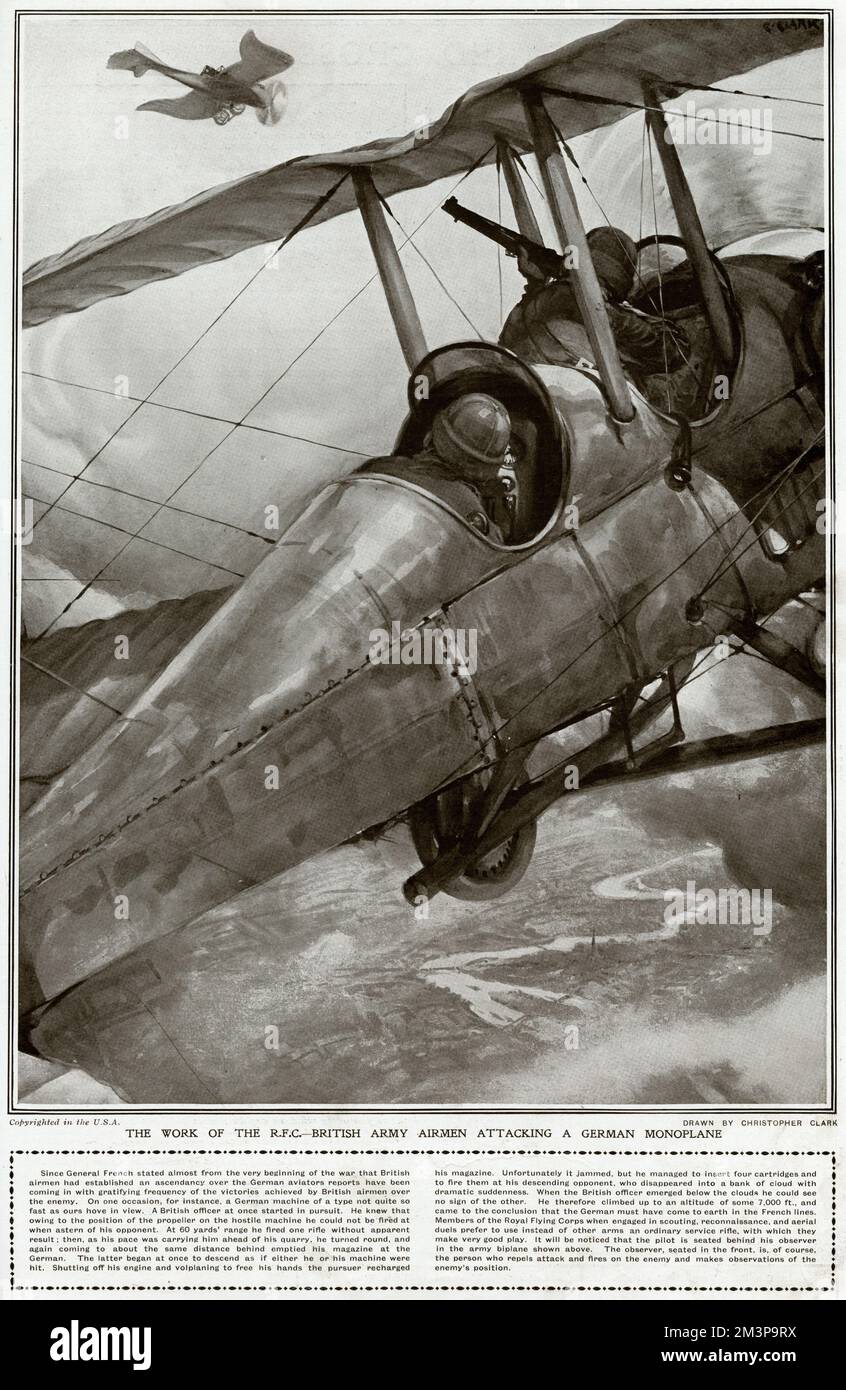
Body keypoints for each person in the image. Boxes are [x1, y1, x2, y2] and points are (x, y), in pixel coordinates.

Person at [500, 225, 688, 383]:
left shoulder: (539, 302)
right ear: (620, 274)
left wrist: (536, 284)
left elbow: (508, 344)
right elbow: (673, 353)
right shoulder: (604, 313)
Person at [367, 394, 514, 541]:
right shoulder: (467, 507)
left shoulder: (380, 467)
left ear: (431, 436)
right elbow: (494, 550)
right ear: (483, 469)